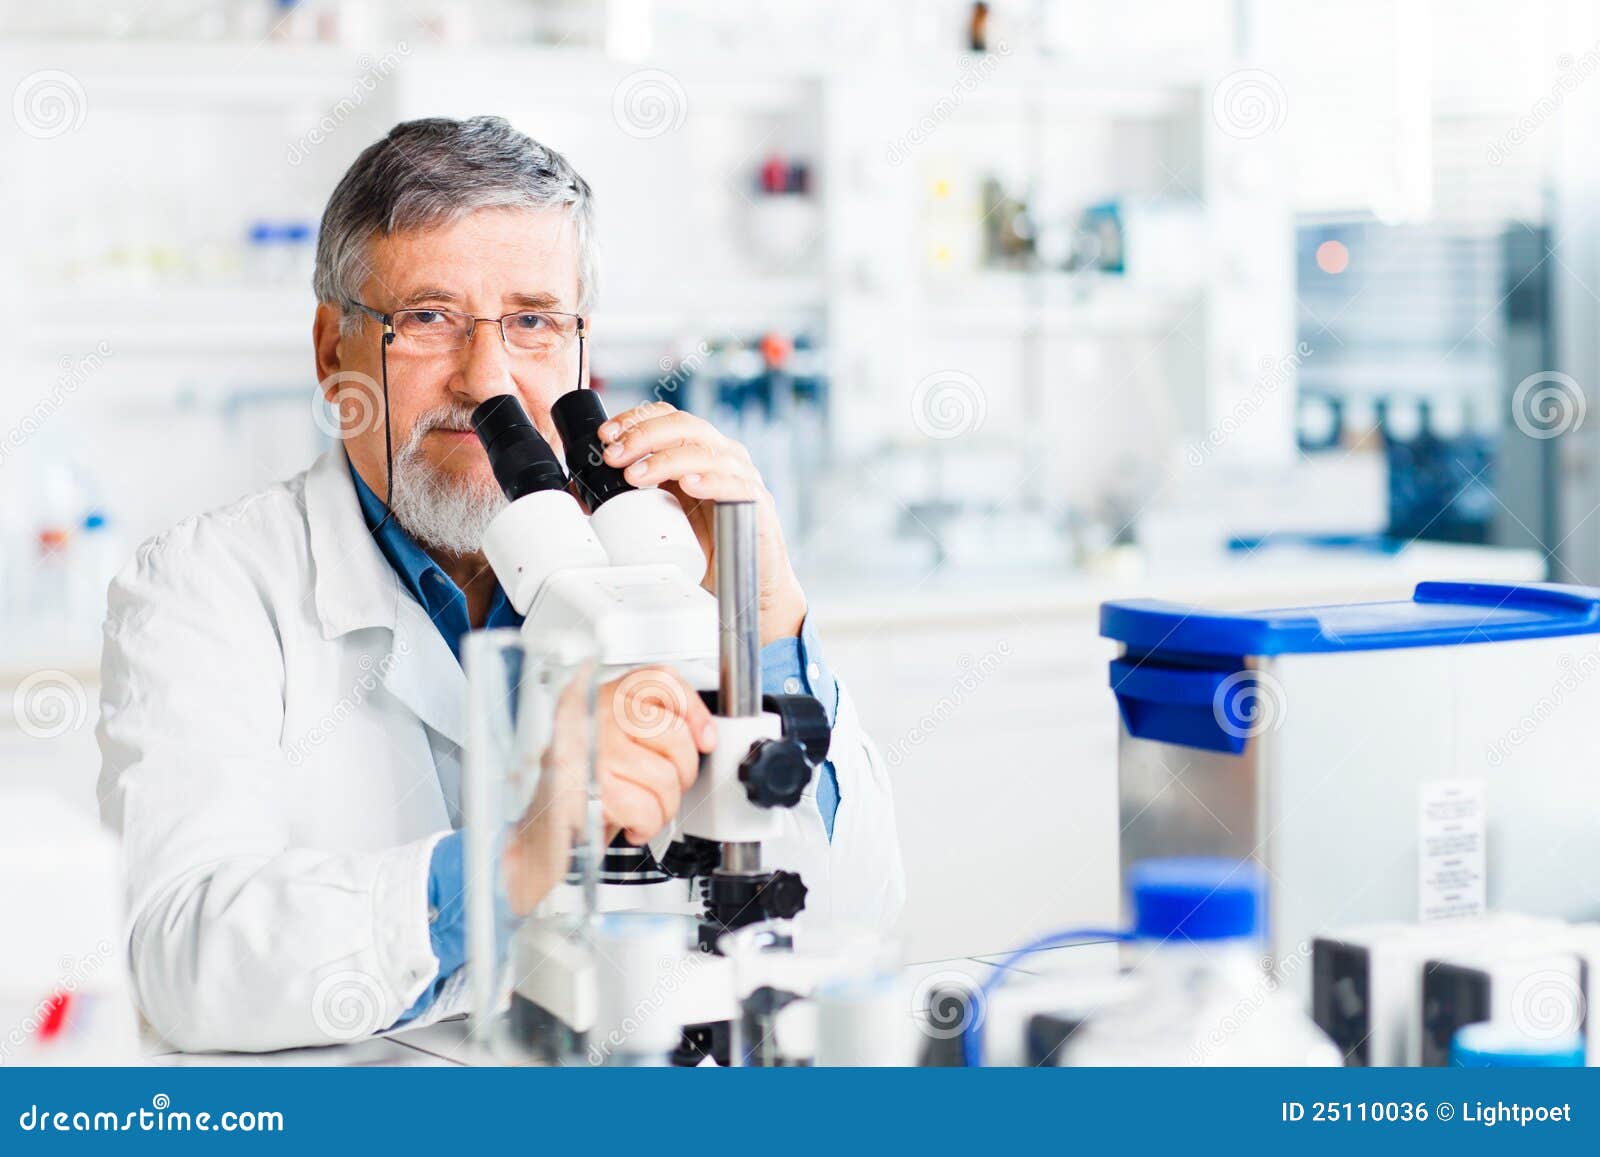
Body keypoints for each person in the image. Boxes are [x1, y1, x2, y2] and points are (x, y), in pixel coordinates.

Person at [97, 116, 905, 1053]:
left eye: (532, 320)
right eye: (430, 318)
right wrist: (516, 860)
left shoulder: (651, 568)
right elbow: (183, 962)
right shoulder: (203, 590)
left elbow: (853, 917)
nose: (490, 381)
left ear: (580, 355)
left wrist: (765, 629)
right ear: (333, 351)